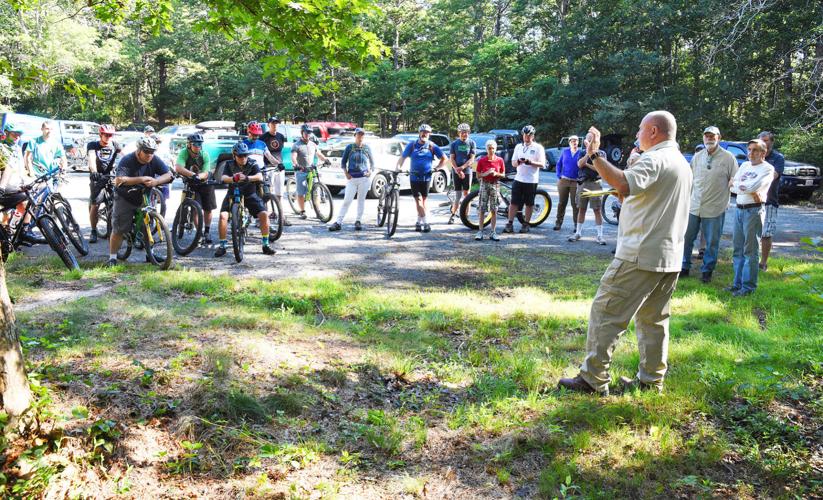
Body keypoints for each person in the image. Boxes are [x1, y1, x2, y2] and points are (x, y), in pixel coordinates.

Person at [557, 111, 692, 396]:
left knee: (606, 311)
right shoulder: (680, 161)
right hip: (668, 256)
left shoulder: (656, 158)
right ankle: (651, 381)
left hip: (639, 253)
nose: (636, 134)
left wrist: (594, 155)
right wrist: (623, 188)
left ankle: (593, 379)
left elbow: (623, 183)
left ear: (653, 131)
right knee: (654, 320)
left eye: (640, 129)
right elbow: (641, 195)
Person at [680, 126, 737, 283]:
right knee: (686, 238)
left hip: (715, 207)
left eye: (713, 136)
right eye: (707, 136)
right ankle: (684, 266)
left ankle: (707, 271)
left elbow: (735, 179)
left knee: (712, 242)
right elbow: (690, 180)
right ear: (703, 138)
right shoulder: (697, 156)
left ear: (719, 138)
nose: (709, 138)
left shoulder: (728, 158)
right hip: (694, 205)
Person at [107, 137, 173, 267]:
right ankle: (112, 258)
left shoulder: (154, 159)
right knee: (119, 229)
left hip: (144, 196)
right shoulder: (127, 160)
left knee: (147, 224)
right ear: (139, 150)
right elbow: (119, 180)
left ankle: (150, 254)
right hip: (125, 196)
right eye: (146, 151)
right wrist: (142, 179)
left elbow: (169, 175)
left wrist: (156, 181)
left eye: (152, 152)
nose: (149, 155)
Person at [726, 139, 775, 297]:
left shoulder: (768, 169)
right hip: (739, 209)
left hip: (753, 211)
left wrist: (740, 186)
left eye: (755, 150)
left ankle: (748, 288)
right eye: (749, 149)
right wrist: (742, 187)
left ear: (763, 153)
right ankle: (737, 284)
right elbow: (731, 185)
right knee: (738, 250)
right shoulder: (745, 165)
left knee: (750, 251)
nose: (751, 153)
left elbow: (753, 187)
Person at [214, 142, 275, 257]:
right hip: (233, 193)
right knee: (223, 216)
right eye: (240, 156)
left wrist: (247, 178)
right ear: (234, 155)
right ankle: (222, 246)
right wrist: (233, 178)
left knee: (264, 214)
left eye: (245, 155)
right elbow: (223, 177)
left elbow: (259, 176)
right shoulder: (229, 164)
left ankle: (265, 244)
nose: (243, 158)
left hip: (249, 194)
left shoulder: (252, 163)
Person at [396, 123, 446, 232]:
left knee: (423, 201)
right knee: (418, 200)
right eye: (423, 132)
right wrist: (398, 167)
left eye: (427, 133)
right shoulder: (412, 145)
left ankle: (418, 222)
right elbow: (402, 157)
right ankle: (426, 223)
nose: (424, 134)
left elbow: (444, 158)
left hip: (427, 177)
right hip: (414, 177)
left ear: (429, 134)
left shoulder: (432, 146)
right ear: (419, 133)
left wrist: (437, 168)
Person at [0, 123, 41, 244]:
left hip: (14, 184)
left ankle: (23, 231)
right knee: (9, 212)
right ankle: (11, 236)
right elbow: (8, 168)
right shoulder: (2, 148)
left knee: (25, 203)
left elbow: (20, 167)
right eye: (14, 134)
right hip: (5, 186)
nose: (17, 136)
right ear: (6, 133)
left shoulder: (17, 148)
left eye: (19, 134)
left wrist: (26, 178)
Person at [175, 133, 216, 244]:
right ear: (189, 144)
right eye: (195, 144)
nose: (198, 146)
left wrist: (198, 176)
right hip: (193, 183)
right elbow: (178, 167)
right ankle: (199, 232)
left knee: (208, 208)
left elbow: (206, 173)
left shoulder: (204, 154)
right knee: (195, 210)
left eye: (200, 144)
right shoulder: (184, 153)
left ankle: (207, 231)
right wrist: (192, 175)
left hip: (205, 183)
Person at [329, 128, 373, 232]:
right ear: (355, 136)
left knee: (361, 200)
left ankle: (358, 221)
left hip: (364, 179)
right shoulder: (349, 147)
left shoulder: (367, 148)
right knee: (347, 201)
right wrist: (346, 173)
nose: (360, 136)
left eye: (362, 135)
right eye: (358, 134)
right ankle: (338, 222)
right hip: (352, 179)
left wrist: (370, 171)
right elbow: (343, 162)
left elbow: (372, 163)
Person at [503, 125, 545, 234]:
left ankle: (526, 224)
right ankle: (510, 224)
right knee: (514, 202)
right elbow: (513, 162)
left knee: (529, 203)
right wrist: (519, 162)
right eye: (525, 135)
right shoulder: (518, 147)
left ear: (533, 136)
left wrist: (530, 162)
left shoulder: (538, 148)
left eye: (529, 135)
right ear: (523, 135)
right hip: (518, 179)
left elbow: (542, 164)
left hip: (531, 180)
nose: (527, 137)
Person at [87, 124, 122, 243]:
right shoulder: (93, 145)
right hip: (98, 177)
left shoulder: (115, 145)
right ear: (100, 134)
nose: (108, 137)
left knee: (120, 200)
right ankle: (93, 230)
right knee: (95, 204)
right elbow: (91, 158)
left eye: (110, 135)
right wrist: (94, 171)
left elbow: (125, 157)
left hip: (112, 176)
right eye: (106, 135)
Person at [568, 137, 607, 245]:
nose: (588, 141)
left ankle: (600, 236)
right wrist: (587, 154)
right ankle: (578, 233)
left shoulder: (601, 153)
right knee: (581, 209)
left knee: (597, 210)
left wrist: (587, 164)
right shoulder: (582, 152)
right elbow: (580, 164)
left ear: (596, 141)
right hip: (583, 183)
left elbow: (600, 169)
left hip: (596, 184)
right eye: (587, 139)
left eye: (591, 139)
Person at [757, 131, 784, 271]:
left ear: (771, 142)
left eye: (766, 140)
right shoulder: (753, 156)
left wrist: (755, 180)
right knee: (751, 233)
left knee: (766, 233)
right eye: (761, 140)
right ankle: (750, 260)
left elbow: (773, 175)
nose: (764, 143)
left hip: (769, 201)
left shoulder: (778, 158)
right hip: (753, 201)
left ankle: (763, 263)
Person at [291, 124, 330, 219]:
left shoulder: (313, 144)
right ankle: (302, 211)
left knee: (316, 191)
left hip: (311, 170)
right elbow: (293, 156)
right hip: (301, 170)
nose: (308, 134)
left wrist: (325, 160)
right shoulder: (296, 145)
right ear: (302, 133)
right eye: (306, 133)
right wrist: (296, 164)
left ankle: (318, 211)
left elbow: (319, 154)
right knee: (301, 192)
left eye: (309, 133)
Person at [475, 139, 506, 241]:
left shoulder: (500, 160)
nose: (491, 150)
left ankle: (493, 232)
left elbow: (503, 174)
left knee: (494, 209)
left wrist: (496, 174)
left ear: (495, 149)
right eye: (489, 148)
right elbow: (478, 175)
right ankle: (480, 231)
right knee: (482, 208)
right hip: (484, 184)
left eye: (493, 148)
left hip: (495, 184)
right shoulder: (482, 160)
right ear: (486, 149)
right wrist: (487, 173)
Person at [448, 123, 476, 224]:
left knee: (467, 194)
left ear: (469, 133)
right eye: (462, 132)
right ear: (459, 133)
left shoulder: (471, 143)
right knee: (458, 195)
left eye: (466, 132)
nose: (464, 134)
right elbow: (452, 158)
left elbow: (472, 159)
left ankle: (466, 216)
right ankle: (453, 215)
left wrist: (462, 168)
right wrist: (457, 169)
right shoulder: (454, 144)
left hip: (467, 171)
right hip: (456, 170)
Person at [554, 135, 582, 231]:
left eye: (576, 141)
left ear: (578, 142)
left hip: (575, 182)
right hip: (564, 180)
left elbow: (583, 166)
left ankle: (576, 225)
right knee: (562, 203)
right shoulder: (565, 152)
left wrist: (581, 178)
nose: (574, 142)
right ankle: (558, 223)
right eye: (572, 141)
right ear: (569, 142)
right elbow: (559, 164)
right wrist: (559, 175)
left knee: (575, 204)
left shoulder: (581, 153)